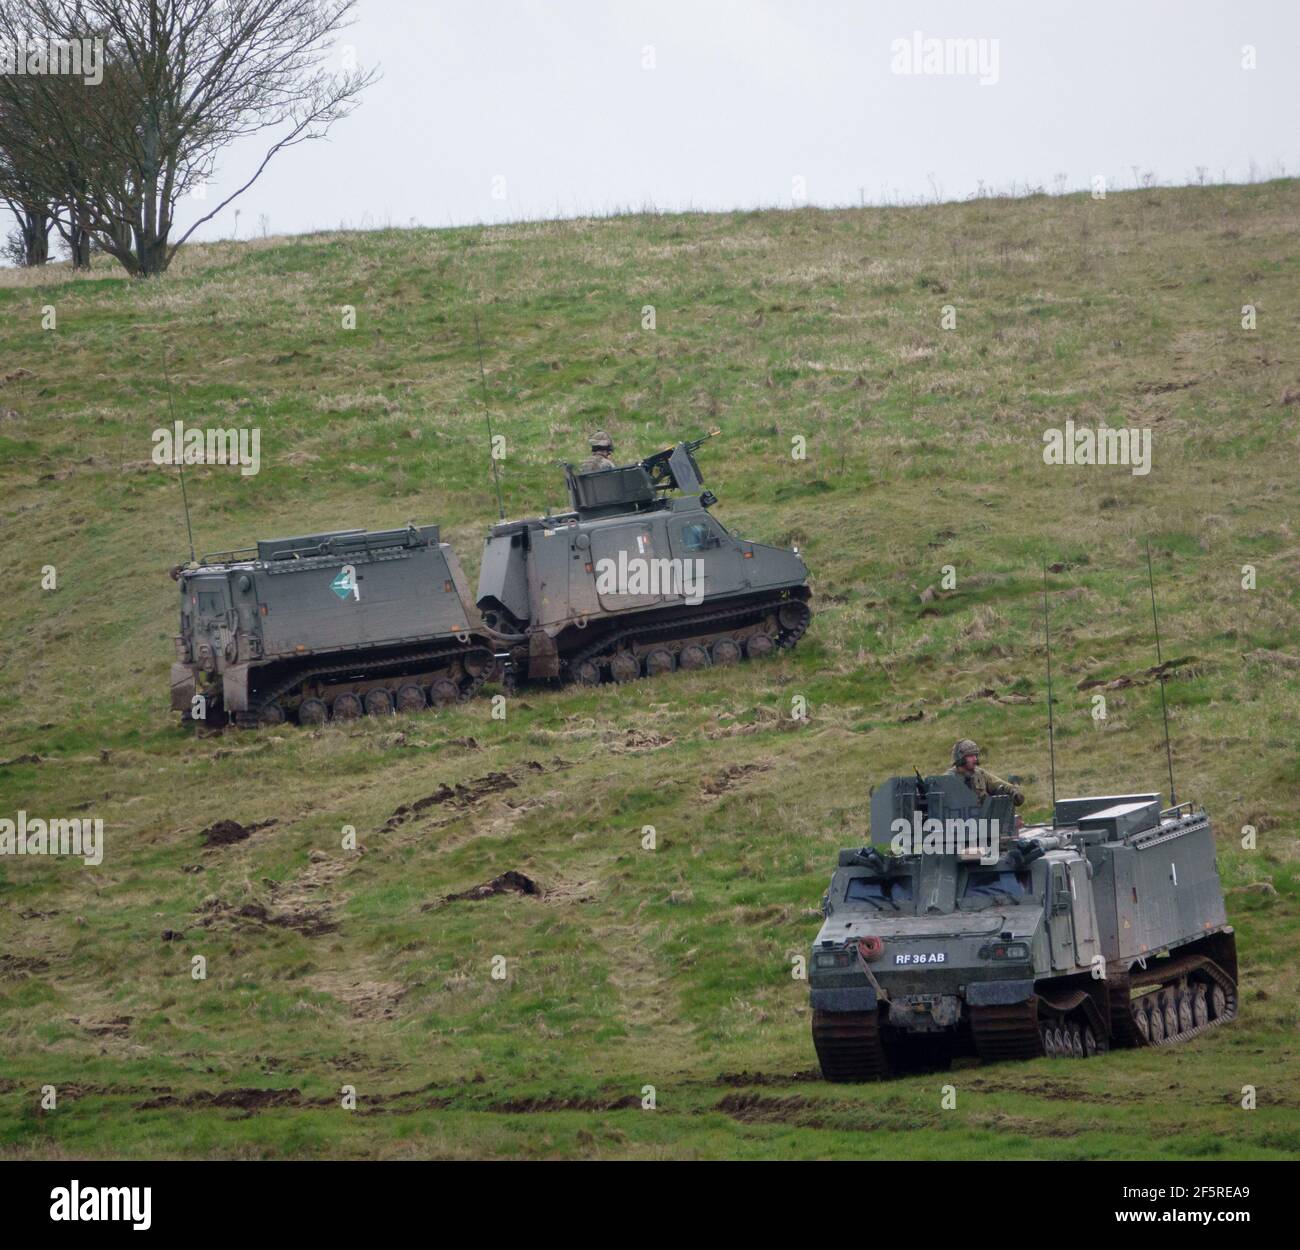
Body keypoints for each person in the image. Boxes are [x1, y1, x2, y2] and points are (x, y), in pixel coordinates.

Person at [945, 738, 1024, 806]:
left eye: (976, 755)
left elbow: (999, 785)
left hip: (984, 819)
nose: (975, 759)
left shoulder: (980, 774)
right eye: (971, 756)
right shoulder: (947, 779)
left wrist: (1014, 792)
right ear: (960, 757)